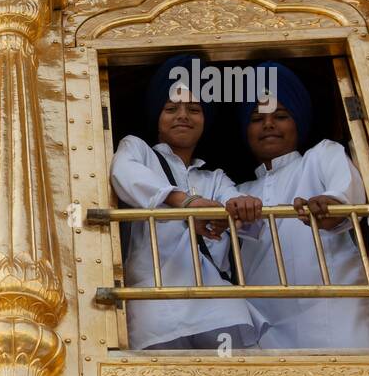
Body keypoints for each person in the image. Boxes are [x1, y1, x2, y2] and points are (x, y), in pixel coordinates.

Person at [110, 53, 266, 350]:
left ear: (205, 121)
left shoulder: (214, 177)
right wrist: (187, 202)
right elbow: (124, 174)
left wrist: (240, 207)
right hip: (155, 304)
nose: (183, 115)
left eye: (194, 109)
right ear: (157, 117)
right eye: (171, 108)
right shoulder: (138, 149)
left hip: (217, 304)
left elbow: (234, 203)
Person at [236, 61, 369, 348]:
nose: (268, 124)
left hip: (333, 312)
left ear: (298, 122)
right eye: (256, 118)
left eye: (280, 116)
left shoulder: (321, 155)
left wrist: (328, 206)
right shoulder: (241, 191)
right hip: (264, 319)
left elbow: (346, 196)